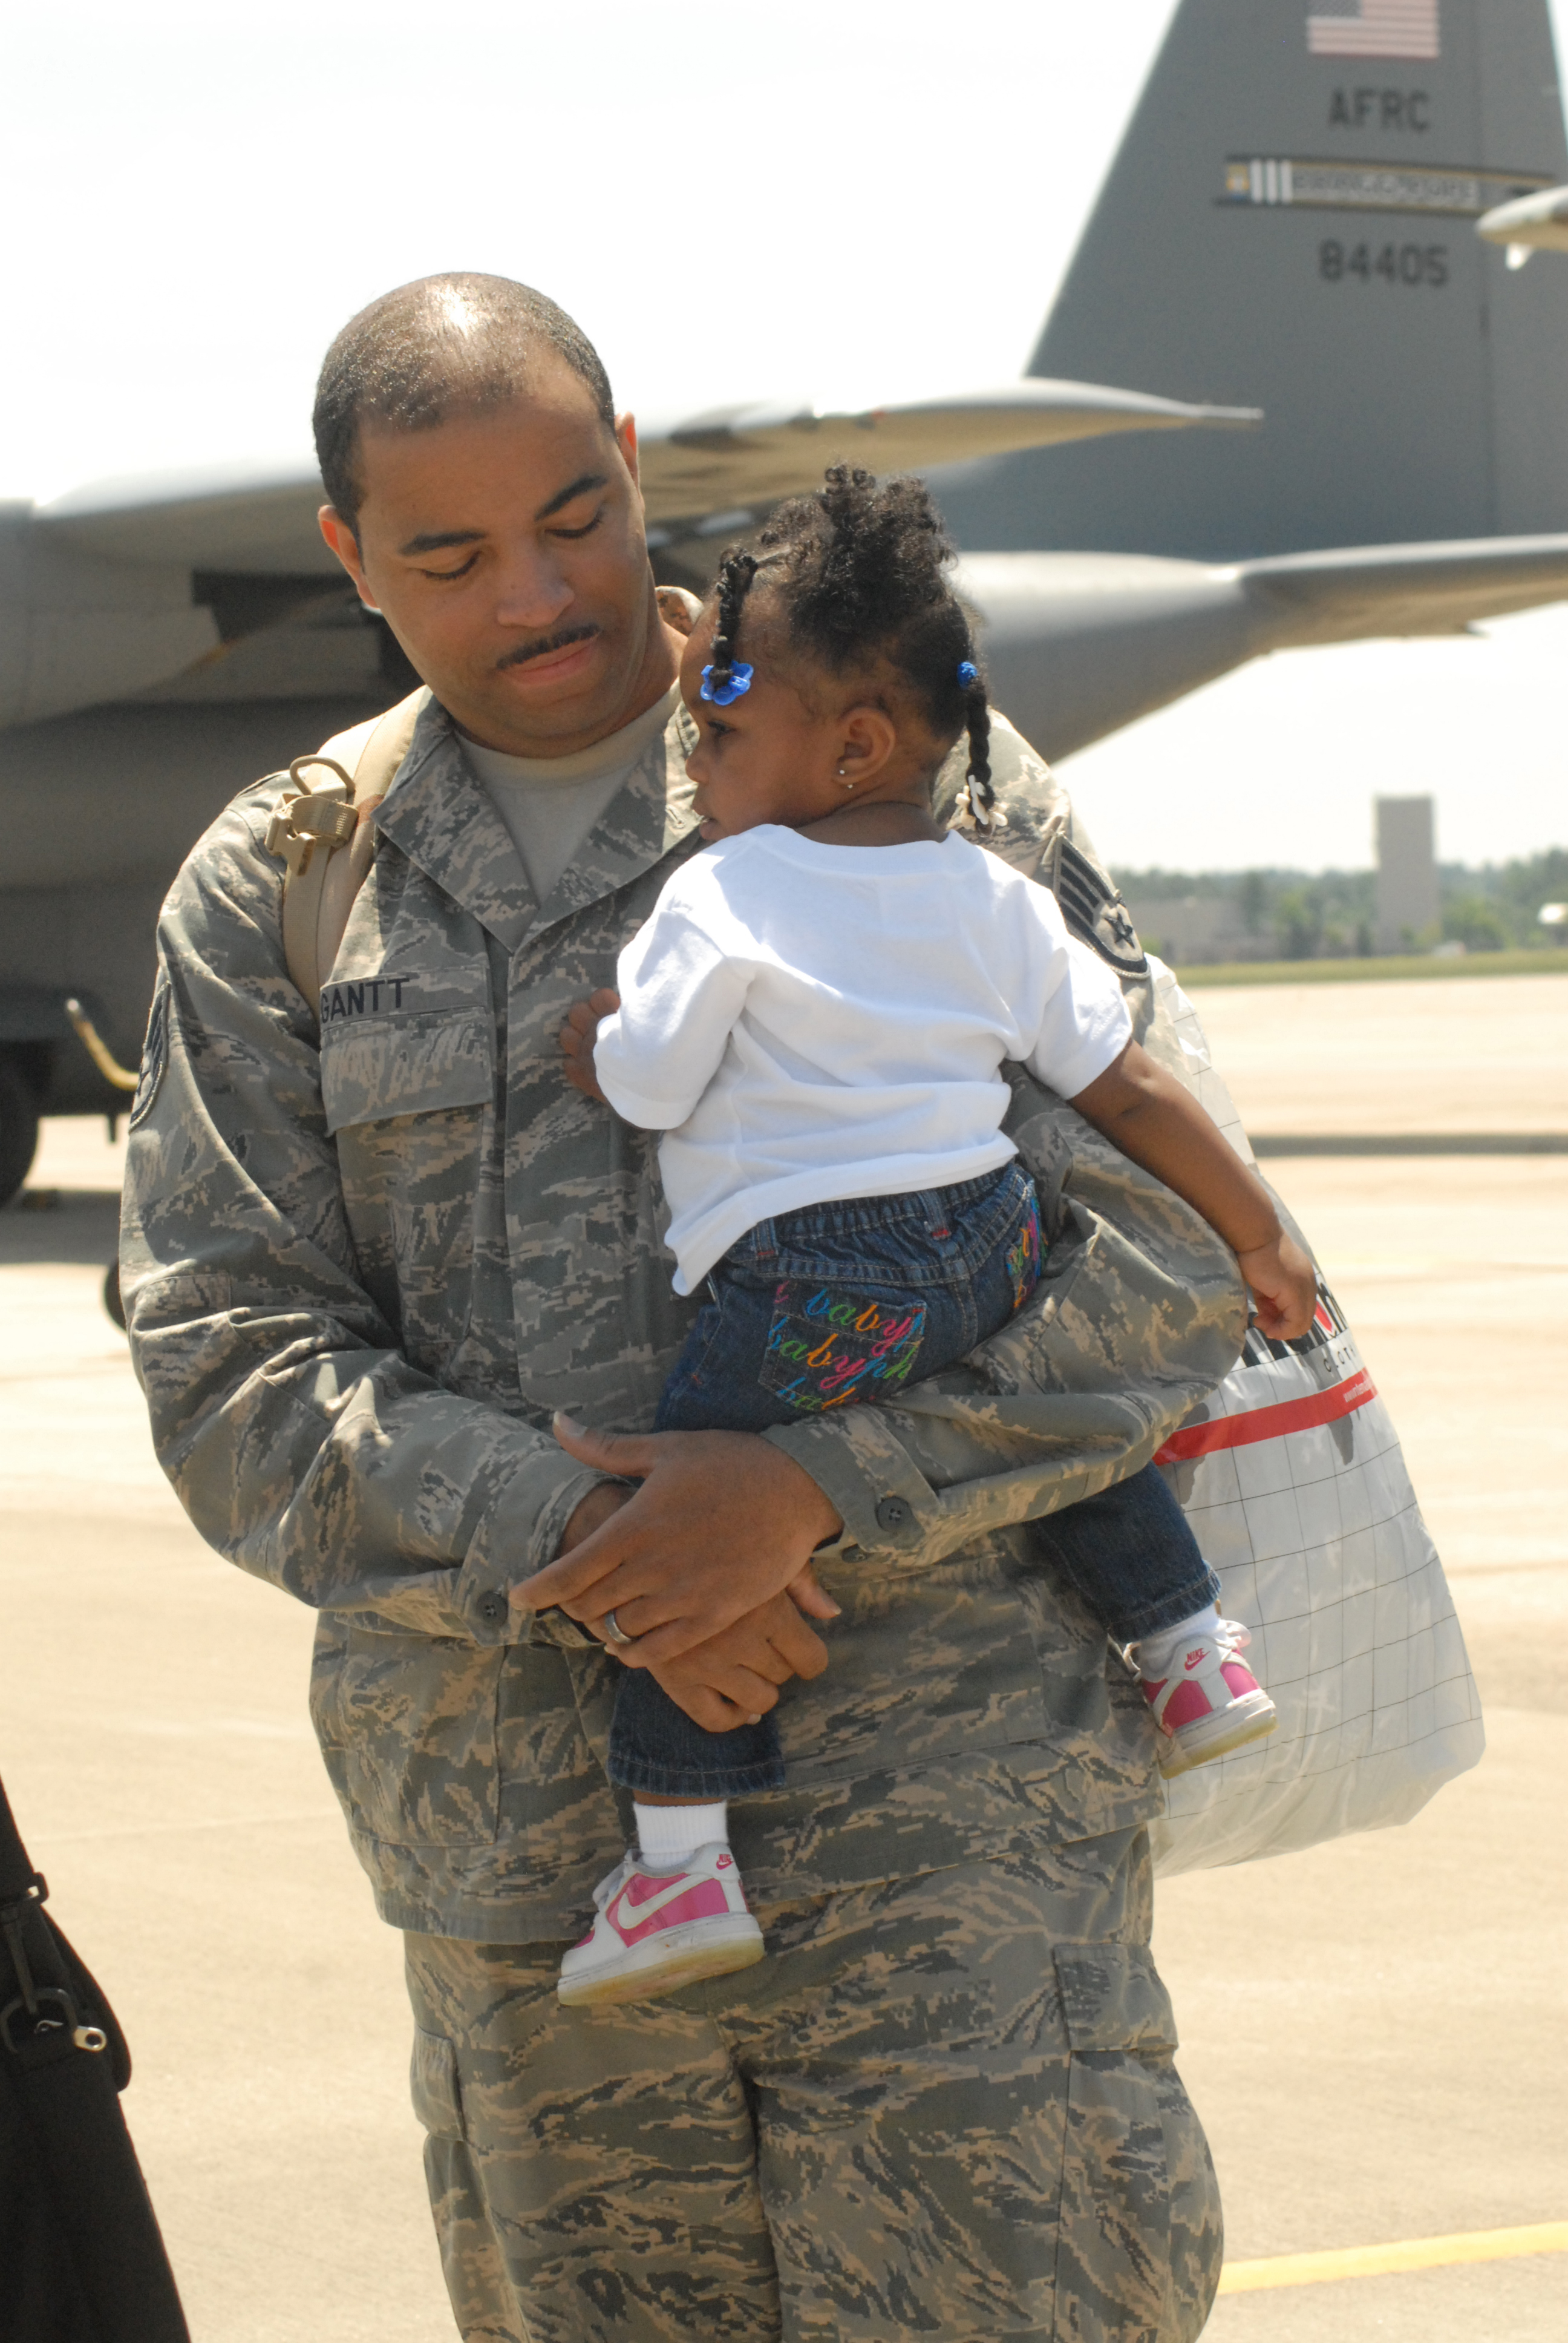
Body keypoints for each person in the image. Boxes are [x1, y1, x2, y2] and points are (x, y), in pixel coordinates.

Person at [122, 273, 1245, 2343]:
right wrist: (587, 1538)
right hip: (544, 1898)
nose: (536, 592)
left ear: (633, 468)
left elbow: (1174, 1255)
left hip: (949, 1862)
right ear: (348, 560)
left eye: (574, 516)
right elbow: (224, 1353)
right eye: (448, 558)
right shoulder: (285, 882)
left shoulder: (900, 773)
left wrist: (818, 1490)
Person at [550, 467, 1310, 2008]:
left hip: (806, 1276)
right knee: (1079, 1453)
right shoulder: (996, 894)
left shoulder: (722, 890)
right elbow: (1131, 1086)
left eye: (719, 727)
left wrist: (597, 1043)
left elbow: (654, 1081)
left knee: (686, 1536)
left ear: (850, 745)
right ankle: (1190, 1652)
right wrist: (1262, 1232)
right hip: (986, 1242)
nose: (693, 761)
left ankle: (680, 1867)